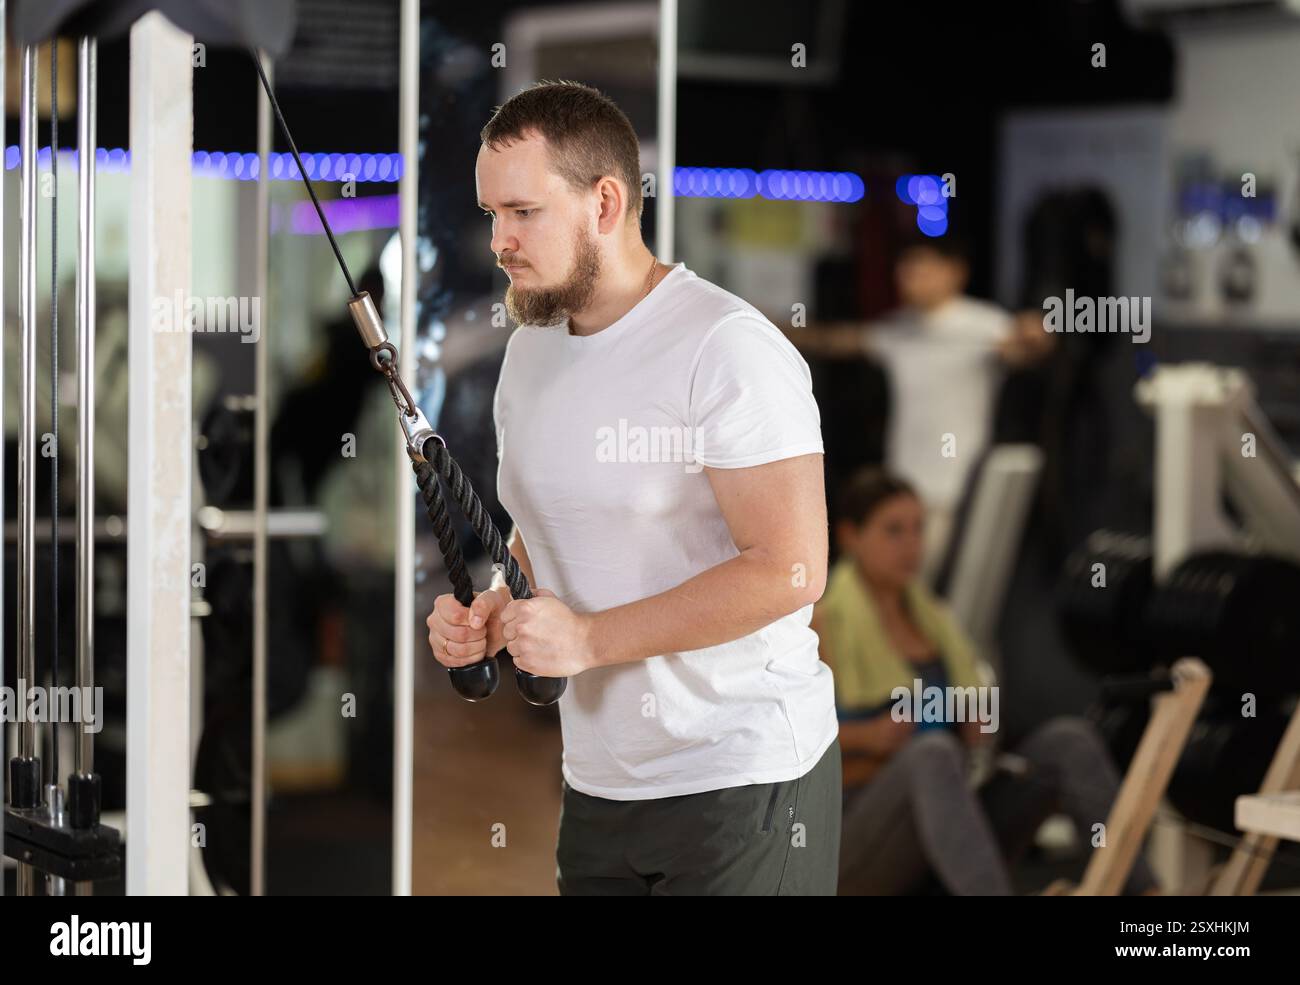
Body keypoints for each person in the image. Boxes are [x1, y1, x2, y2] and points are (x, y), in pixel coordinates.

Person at [425, 80, 841, 895]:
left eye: (523, 212)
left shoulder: (726, 348)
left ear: (605, 203)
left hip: (743, 778)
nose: (500, 241)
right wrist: (499, 608)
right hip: (601, 783)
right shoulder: (530, 353)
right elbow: (543, 535)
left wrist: (586, 641)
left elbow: (791, 570)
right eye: (490, 217)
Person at [815, 467, 1158, 896]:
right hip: (858, 832)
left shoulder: (933, 619)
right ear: (850, 536)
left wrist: (978, 722)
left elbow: (969, 715)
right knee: (932, 753)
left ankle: (1144, 892)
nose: (912, 546)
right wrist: (867, 735)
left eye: (918, 530)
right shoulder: (820, 624)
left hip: (949, 819)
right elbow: (783, 743)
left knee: (1068, 740)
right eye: (893, 531)